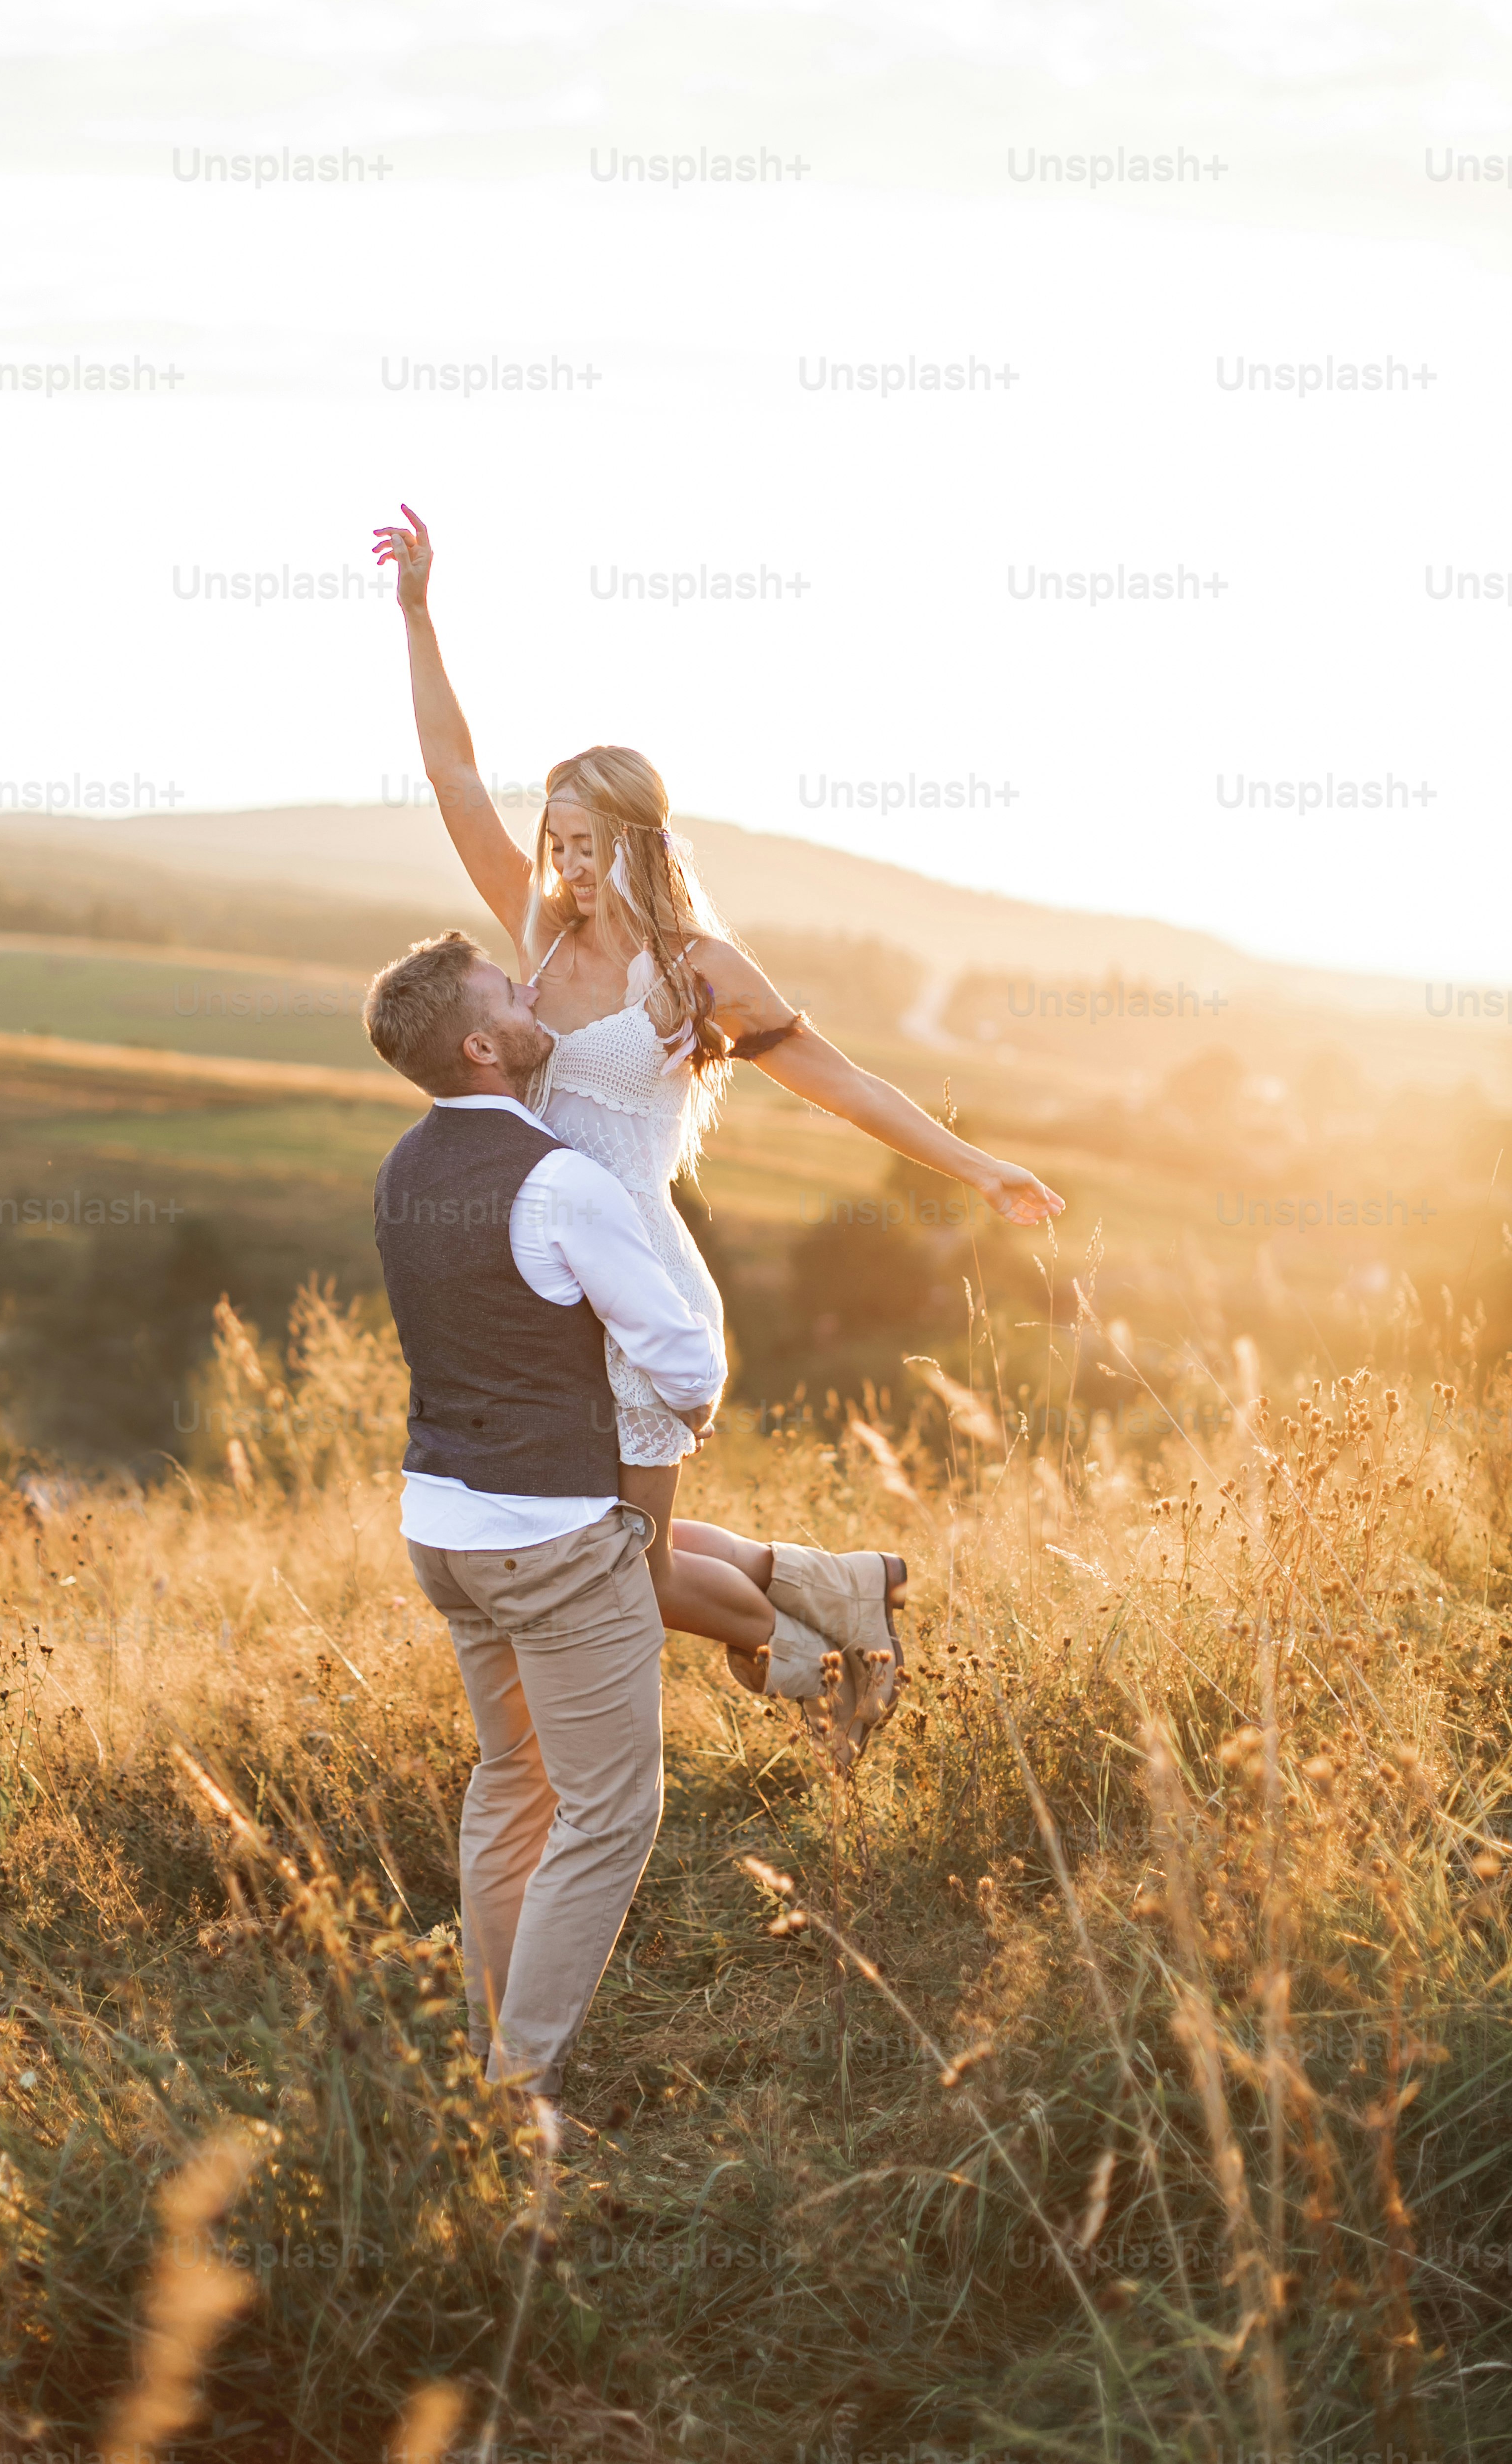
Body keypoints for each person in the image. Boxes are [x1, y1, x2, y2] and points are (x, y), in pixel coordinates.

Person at [369, 504, 1067, 1748]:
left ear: (636, 839)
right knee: (594, 1533)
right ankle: (832, 1593)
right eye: (554, 842)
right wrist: (418, 614)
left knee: (623, 1566)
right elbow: (452, 779)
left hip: (633, 1274)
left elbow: (842, 1082)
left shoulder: (697, 973)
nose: (563, 864)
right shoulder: (538, 935)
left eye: (585, 844)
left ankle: (829, 1653)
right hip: (547, 1274)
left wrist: (975, 1167)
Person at [363, 927, 791, 2103]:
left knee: (512, 1783)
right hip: (548, 1539)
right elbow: (680, 1349)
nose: (531, 989)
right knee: (608, 1815)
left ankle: (486, 2056)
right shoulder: (559, 1182)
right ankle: (520, 2090)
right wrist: (694, 1409)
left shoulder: (401, 1168)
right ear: (481, 1045)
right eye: (507, 991)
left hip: (443, 1528)